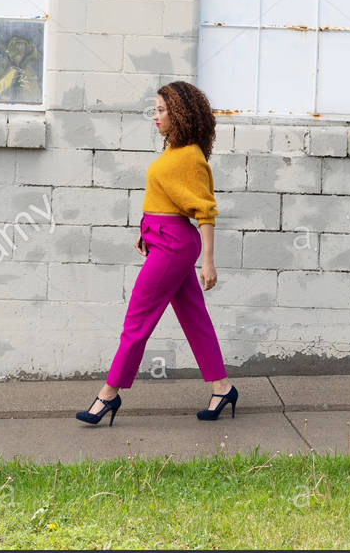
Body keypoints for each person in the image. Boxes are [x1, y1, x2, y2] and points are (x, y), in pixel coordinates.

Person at [76, 80, 237, 426]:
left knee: (137, 318)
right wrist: (145, 230)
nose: (155, 116)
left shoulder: (191, 156)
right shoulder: (173, 151)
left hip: (175, 245)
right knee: (195, 318)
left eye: (161, 110)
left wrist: (208, 262)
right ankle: (222, 387)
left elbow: (204, 211)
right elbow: (166, 198)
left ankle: (108, 395)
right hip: (162, 240)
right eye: (155, 110)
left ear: (180, 114)